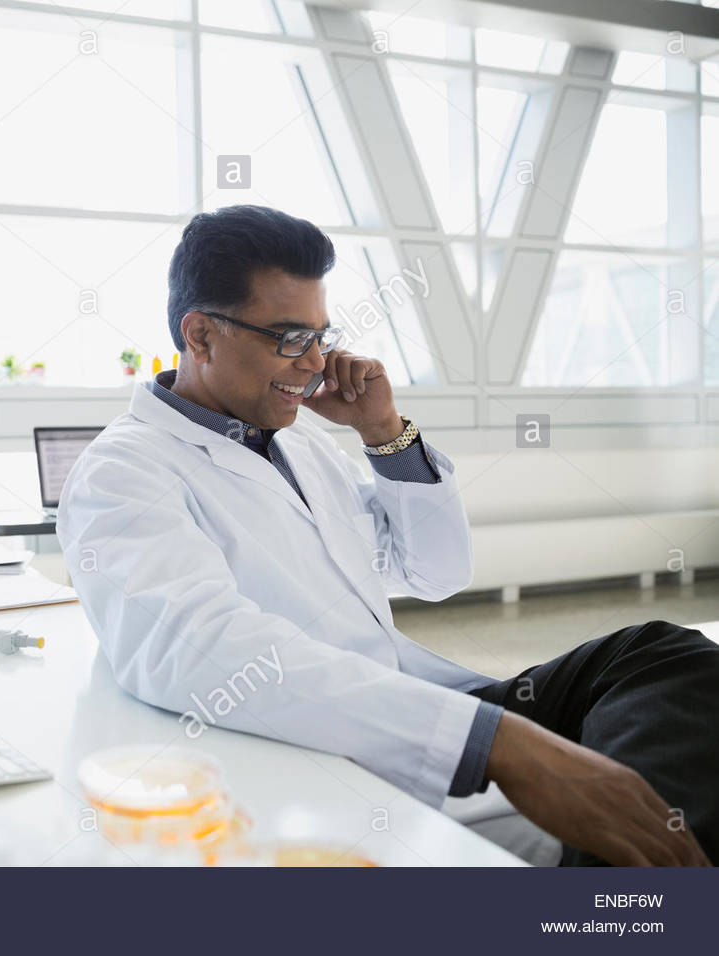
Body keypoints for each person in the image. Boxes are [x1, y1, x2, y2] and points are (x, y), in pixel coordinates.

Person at [56, 204, 715, 866]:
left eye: (322, 337)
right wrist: (497, 743)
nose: (313, 364)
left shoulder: (301, 445)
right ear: (200, 336)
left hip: (417, 698)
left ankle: (646, 860)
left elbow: (434, 573)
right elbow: (199, 648)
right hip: (338, 736)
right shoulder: (125, 472)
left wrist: (383, 432)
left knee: (662, 654)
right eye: (289, 338)